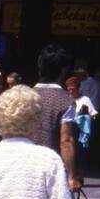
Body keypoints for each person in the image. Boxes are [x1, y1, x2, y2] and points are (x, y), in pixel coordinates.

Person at [33, 44, 80, 191]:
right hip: (49, 169)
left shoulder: (23, 95)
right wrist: (71, 177)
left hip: (20, 164)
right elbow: (65, 141)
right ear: (63, 71)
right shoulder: (65, 101)